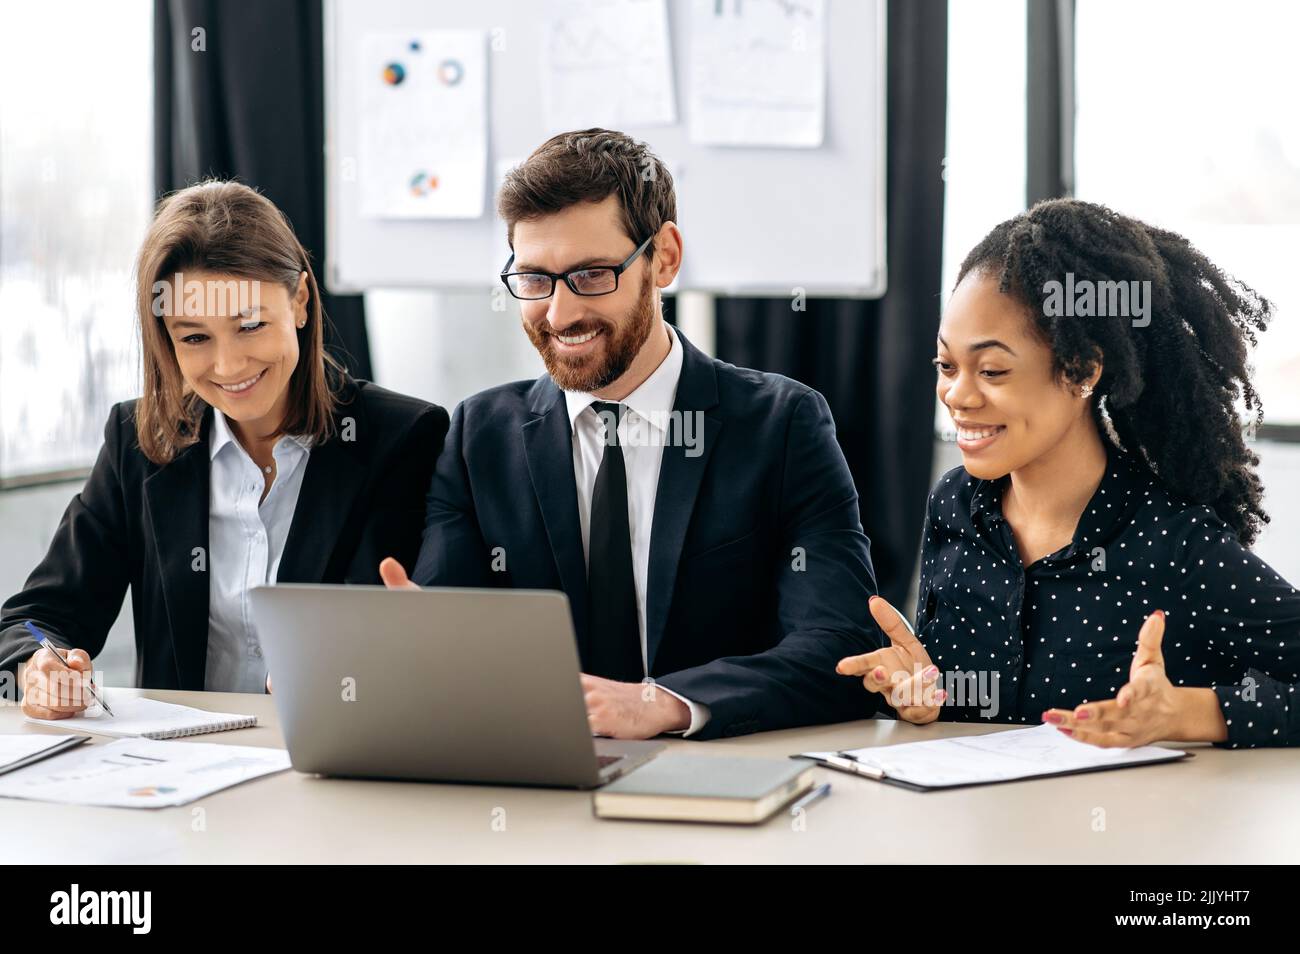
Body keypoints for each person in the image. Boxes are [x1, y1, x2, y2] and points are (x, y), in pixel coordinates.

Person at [380, 128, 880, 740]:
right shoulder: (479, 435)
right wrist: (407, 654)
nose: (560, 315)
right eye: (535, 280)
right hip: (532, 785)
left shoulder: (781, 424)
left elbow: (842, 647)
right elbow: (451, 632)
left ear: (664, 257)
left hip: (715, 781)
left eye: (591, 275)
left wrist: (665, 703)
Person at [838, 198, 1299, 748]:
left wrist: (1187, 713)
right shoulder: (955, 505)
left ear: (1081, 372)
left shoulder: (1174, 541)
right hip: (969, 829)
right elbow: (959, 707)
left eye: (991, 370)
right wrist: (920, 697)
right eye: (946, 366)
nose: (956, 395)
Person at [1, 180, 449, 717]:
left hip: (331, 758)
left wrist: (355, 668)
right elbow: (36, 616)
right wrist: (38, 666)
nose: (230, 366)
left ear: (300, 301)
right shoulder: (139, 438)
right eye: (195, 338)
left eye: (251, 325)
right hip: (177, 770)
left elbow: (419, 639)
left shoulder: (403, 438)